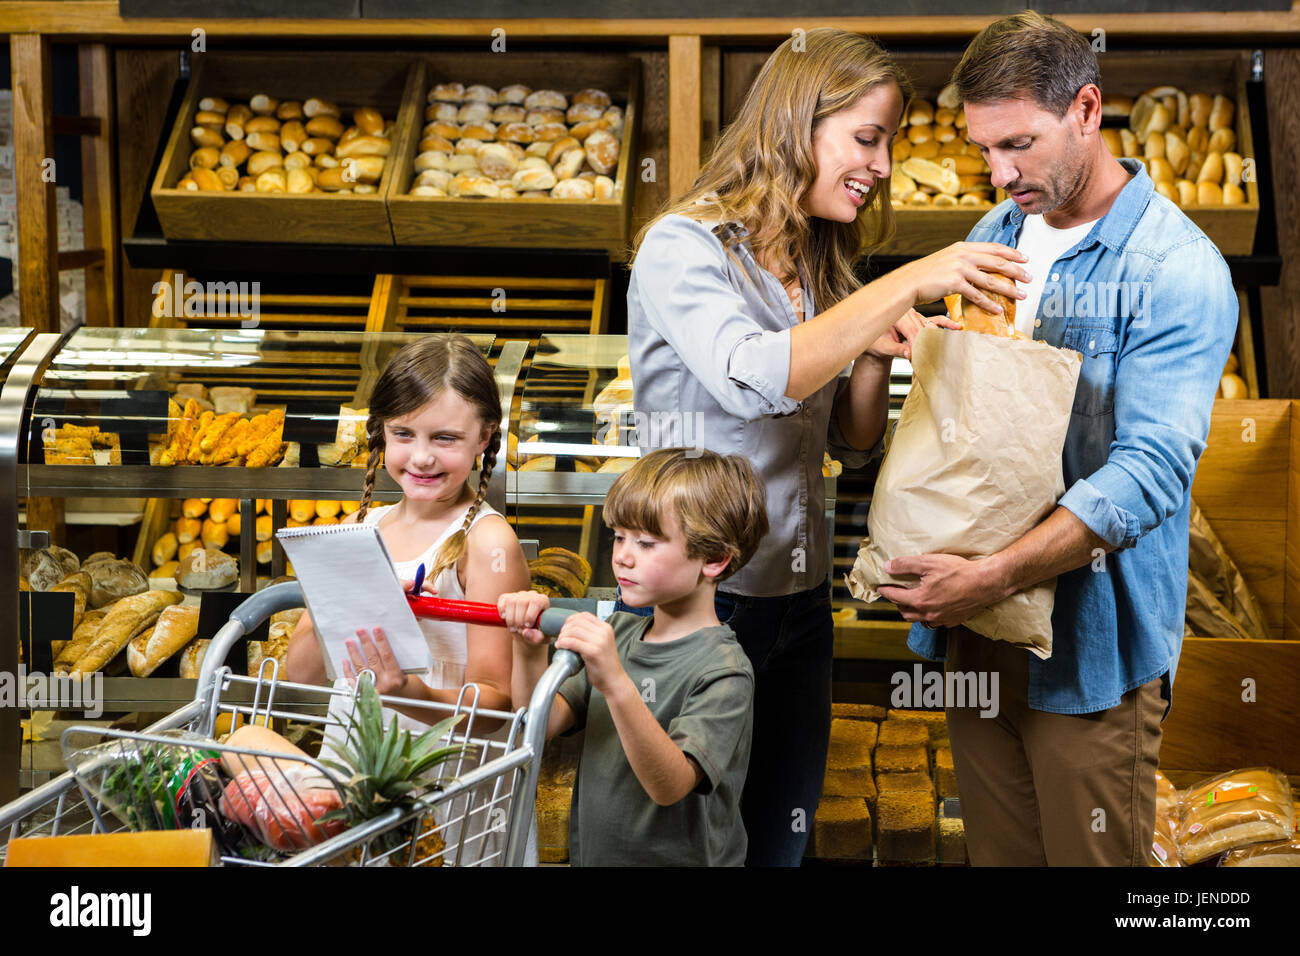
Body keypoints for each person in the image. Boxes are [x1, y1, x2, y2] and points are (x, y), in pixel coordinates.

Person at [626, 27, 1029, 864]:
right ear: (796, 124)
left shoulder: (817, 259)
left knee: (783, 836)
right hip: (701, 599)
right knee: (689, 839)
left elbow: (852, 440)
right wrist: (900, 288)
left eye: (888, 144)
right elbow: (754, 378)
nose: (881, 167)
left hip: (799, 596)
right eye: (867, 138)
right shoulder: (683, 247)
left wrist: (873, 360)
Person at [878, 12, 1238, 866]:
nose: (1000, 174)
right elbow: (975, 437)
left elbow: (1148, 473)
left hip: (1092, 653)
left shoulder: (1175, 268)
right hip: (978, 634)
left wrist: (995, 573)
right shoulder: (989, 241)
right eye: (984, 151)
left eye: (1020, 145)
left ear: (1086, 108)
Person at [284, 333, 533, 863]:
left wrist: (406, 692)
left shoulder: (488, 543)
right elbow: (300, 676)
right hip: (356, 770)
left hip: (447, 785)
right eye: (403, 434)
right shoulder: (357, 527)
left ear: (485, 437)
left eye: (445, 438)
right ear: (381, 434)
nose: (421, 457)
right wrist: (336, 602)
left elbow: (495, 705)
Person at [500, 448, 768, 866]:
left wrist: (615, 682)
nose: (623, 555)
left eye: (646, 542)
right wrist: (527, 646)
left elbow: (671, 785)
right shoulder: (620, 633)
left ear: (714, 559)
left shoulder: (724, 671)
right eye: (619, 536)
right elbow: (541, 723)